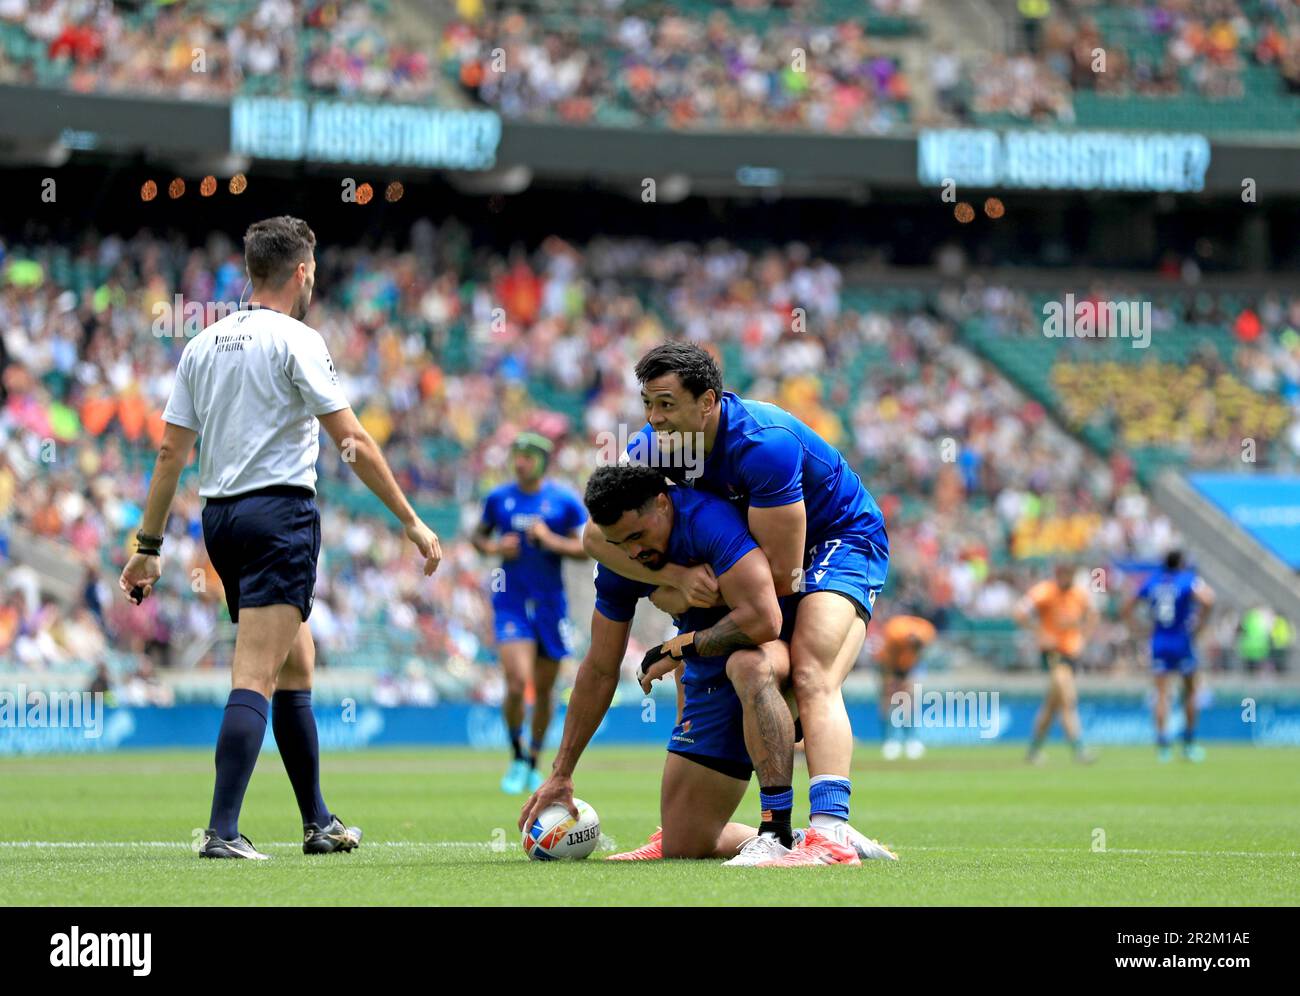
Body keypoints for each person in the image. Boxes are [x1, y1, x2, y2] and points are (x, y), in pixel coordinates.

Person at [119, 216, 442, 859]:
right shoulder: (298, 339)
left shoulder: (201, 344)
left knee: (297, 662)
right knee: (257, 672)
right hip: (279, 517)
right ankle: (221, 831)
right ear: (301, 272)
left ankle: (317, 821)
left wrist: (148, 547)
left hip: (222, 520)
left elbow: (168, 454)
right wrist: (408, 517)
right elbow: (350, 441)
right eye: (313, 269)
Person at [583, 342, 893, 865]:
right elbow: (598, 535)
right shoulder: (650, 452)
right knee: (687, 842)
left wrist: (694, 612)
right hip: (755, 565)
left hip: (836, 542)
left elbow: (782, 577)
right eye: (647, 405)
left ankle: (831, 831)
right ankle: (762, 836)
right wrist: (676, 579)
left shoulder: (762, 445)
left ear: (708, 402)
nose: (653, 421)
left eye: (666, 405)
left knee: (812, 670)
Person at [523, 464, 824, 864]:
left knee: (748, 666)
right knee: (684, 846)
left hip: (779, 642)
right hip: (707, 659)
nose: (633, 552)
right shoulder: (624, 560)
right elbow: (598, 669)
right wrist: (562, 772)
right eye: (620, 542)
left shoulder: (709, 523)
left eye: (637, 536)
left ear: (664, 504)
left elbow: (765, 620)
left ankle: (779, 831)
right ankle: (804, 841)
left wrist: (677, 648)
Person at [471, 432, 587, 794]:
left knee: (547, 688)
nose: (519, 461)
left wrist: (550, 541)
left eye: (527, 455)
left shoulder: (564, 501)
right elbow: (478, 539)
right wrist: (495, 547)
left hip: (552, 604)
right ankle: (517, 755)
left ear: (542, 461)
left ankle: (535, 761)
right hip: (510, 601)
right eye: (516, 454)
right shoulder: (497, 498)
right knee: (518, 682)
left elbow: (587, 547)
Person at [1122, 551, 1215, 762]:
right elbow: (1208, 599)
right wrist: (1200, 624)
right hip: (1181, 639)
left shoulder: (1152, 581)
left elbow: (1127, 606)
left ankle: (1163, 746)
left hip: (1159, 640)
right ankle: (1188, 744)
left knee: (1161, 694)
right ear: (1182, 563)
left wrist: (1137, 628)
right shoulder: (1188, 580)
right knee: (1190, 691)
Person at [1015, 563, 1097, 765]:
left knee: (1051, 706)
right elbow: (1019, 612)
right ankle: (1079, 749)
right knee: (1068, 699)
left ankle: (1034, 750)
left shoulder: (1079, 594)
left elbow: (1093, 615)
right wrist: (1040, 633)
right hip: (1053, 654)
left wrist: (1083, 639)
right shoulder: (1044, 592)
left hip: (1071, 654)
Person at [876, 614, 937, 760]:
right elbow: (887, 659)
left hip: (908, 666)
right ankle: (889, 741)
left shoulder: (927, 631)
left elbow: (918, 656)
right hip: (887, 664)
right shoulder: (894, 633)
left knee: (908, 700)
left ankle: (911, 740)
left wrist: (907, 679)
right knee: (888, 699)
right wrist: (891, 681)